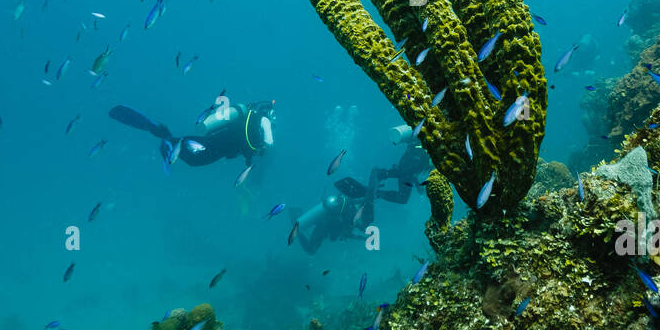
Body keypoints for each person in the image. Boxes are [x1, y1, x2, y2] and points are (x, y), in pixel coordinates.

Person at [293, 140, 430, 254]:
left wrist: (360, 237)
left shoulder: (350, 216)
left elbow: (345, 231)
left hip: (330, 221)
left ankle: (297, 221)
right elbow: (342, 229)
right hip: (325, 223)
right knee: (311, 250)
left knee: (312, 249)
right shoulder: (347, 215)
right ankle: (296, 226)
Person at [108, 97, 275, 171]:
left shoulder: (250, 121)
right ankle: (166, 136)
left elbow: (246, 148)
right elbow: (269, 142)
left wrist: (250, 158)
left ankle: (167, 138)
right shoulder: (262, 120)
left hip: (223, 143)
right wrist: (266, 152)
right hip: (223, 143)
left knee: (195, 160)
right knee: (195, 158)